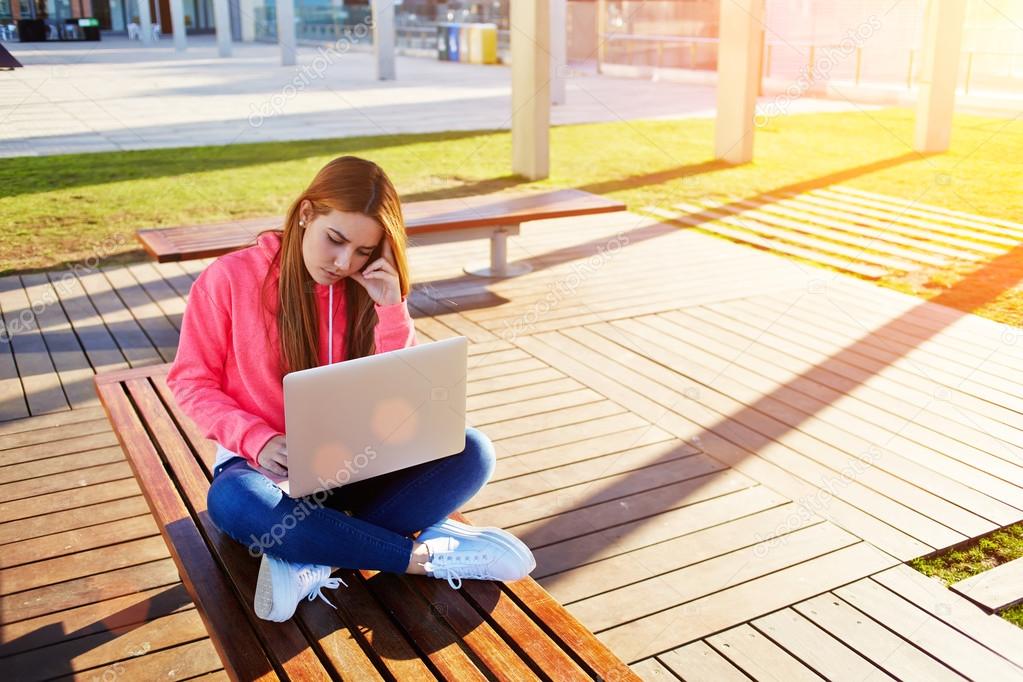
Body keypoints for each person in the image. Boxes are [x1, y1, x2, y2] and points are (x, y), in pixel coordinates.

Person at [167, 155, 535, 622]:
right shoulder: (229, 279)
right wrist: (256, 440)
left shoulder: (367, 287)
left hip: (357, 466)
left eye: (363, 251)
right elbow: (191, 382)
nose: (344, 263)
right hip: (260, 469)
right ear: (306, 215)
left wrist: (391, 308)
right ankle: (428, 557)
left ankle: (310, 559)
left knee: (472, 451)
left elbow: (404, 392)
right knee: (234, 504)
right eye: (335, 240)